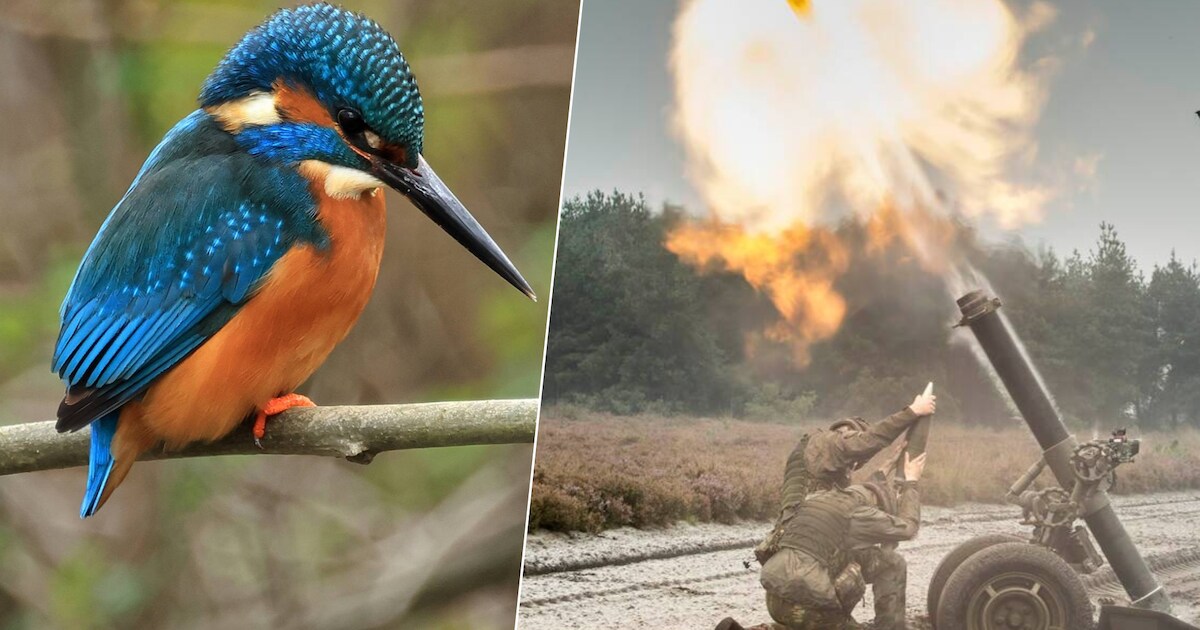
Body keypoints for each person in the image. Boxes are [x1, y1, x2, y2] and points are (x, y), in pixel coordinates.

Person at [717, 452, 926, 630]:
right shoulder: (858, 515)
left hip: (775, 602)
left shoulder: (815, 500)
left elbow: (865, 489)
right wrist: (911, 483)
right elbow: (908, 528)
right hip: (809, 609)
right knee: (893, 562)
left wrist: (886, 467)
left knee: (833, 569)